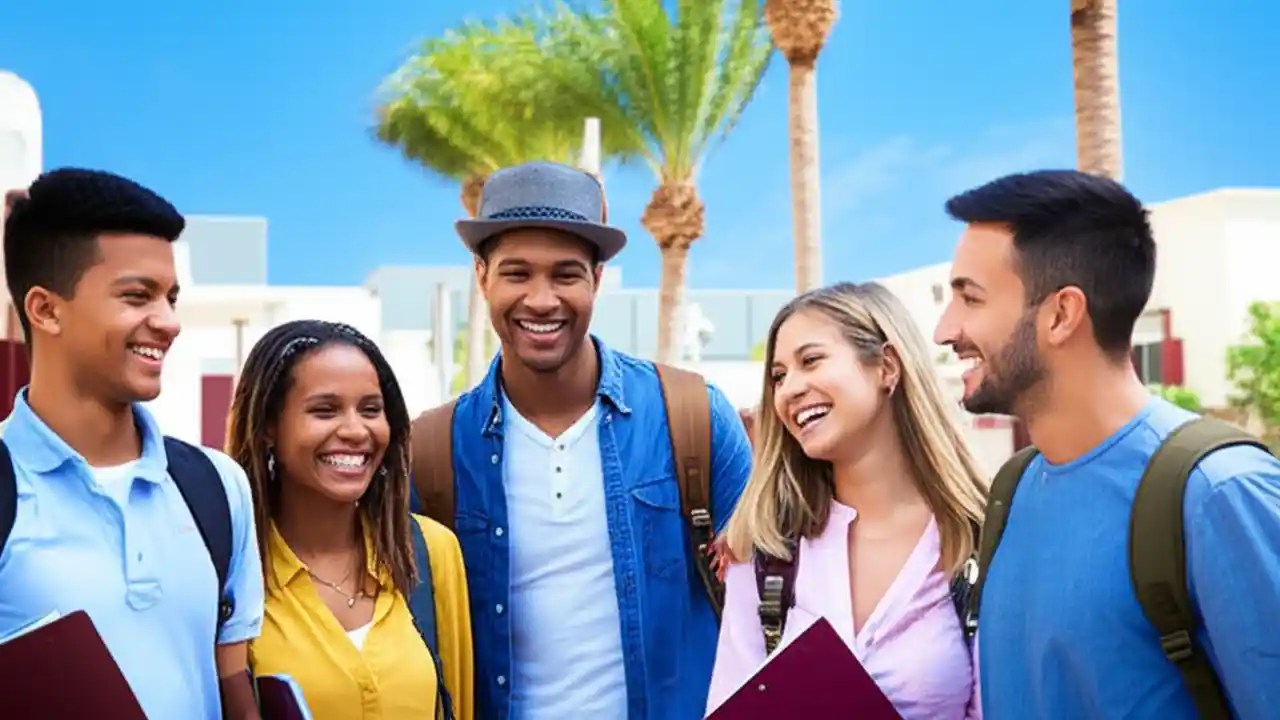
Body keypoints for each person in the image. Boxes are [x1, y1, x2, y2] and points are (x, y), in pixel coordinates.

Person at [409, 160, 753, 720]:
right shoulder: (432, 450)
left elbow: (780, 588)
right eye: (517, 273)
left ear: (596, 279)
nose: (542, 300)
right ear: (482, 277)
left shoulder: (693, 415)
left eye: (565, 274)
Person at [934, 169, 1280, 720]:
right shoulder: (1013, 491)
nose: (944, 329)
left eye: (969, 299)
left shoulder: (1220, 493)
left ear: (1061, 314)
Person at [0, 168, 264, 718]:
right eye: (137, 296)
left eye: (171, 297)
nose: (167, 322)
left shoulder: (216, 487)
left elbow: (233, 687)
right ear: (45, 309)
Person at [706, 281, 986, 719]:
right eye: (779, 376)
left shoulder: (979, 542)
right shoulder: (765, 551)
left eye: (811, 361)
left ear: (887, 367)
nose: (789, 390)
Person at [224, 319, 474, 720]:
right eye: (325, 410)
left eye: (371, 410)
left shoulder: (430, 552)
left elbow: (458, 708)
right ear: (269, 426)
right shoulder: (231, 570)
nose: (357, 431)